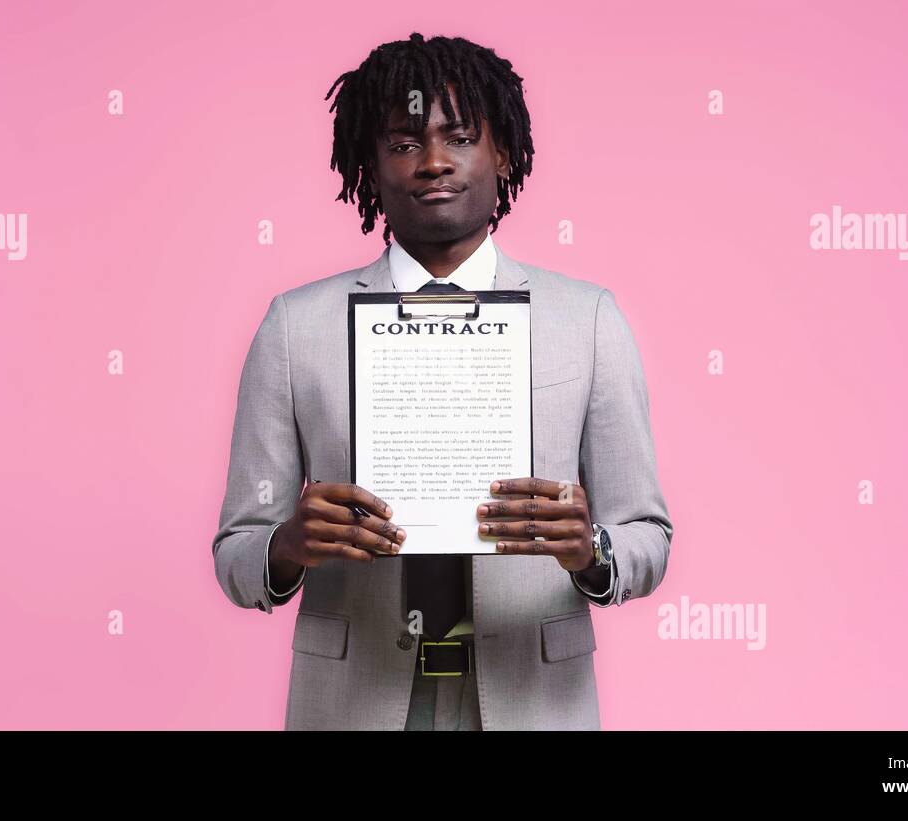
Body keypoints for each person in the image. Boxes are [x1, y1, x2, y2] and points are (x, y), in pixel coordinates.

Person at [211, 32, 672, 730]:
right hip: (356, 701)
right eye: (402, 143)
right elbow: (236, 551)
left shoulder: (589, 321)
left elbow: (647, 534)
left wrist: (590, 550)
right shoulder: (294, 327)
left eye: (458, 136)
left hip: (532, 699)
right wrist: (287, 545)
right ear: (368, 165)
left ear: (504, 153)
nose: (432, 162)